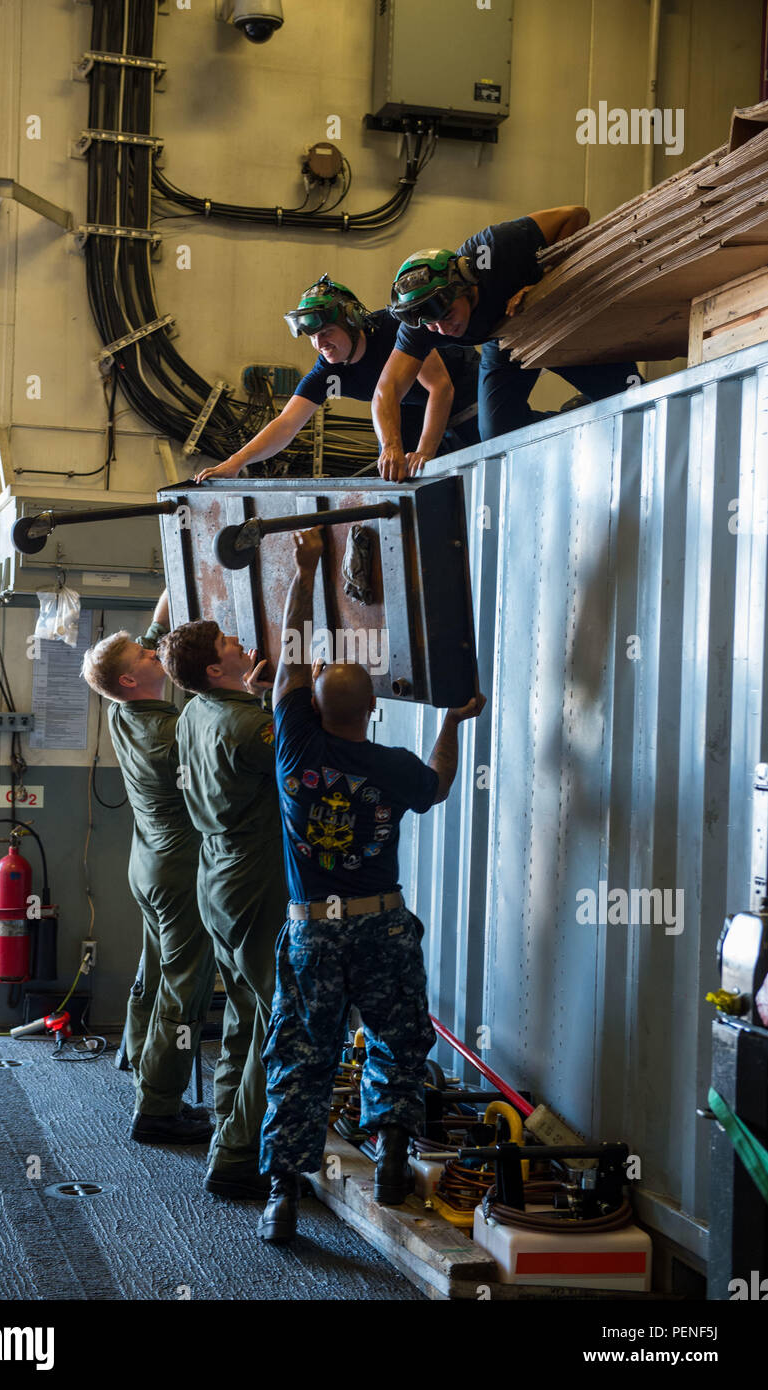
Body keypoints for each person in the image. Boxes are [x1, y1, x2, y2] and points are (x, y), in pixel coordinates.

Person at [256, 528, 482, 1244]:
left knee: (301, 1053)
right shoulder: (390, 764)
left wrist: (305, 569)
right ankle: (388, 1157)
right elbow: (439, 785)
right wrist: (451, 721)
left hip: (311, 929)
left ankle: (282, 1197)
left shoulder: (296, 742)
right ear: (370, 712)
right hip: (380, 922)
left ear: (313, 706)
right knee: (395, 1038)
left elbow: (292, 649)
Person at [80, 591, 215, 1145]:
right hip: (180, 870)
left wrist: (174, 584)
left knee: (156, 969)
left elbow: (158, 629)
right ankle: (158, 1106)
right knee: (185, 989)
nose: (154, 653)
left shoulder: (122, 710)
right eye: (145, 657)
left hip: (148, 866)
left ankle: (137, 1057)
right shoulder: (171, 735)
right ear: (132, 680)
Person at [157, 623, 285, 1200]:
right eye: (231, 645)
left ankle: (229, 1137)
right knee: (279, 1018)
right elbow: (299, 756)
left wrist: (256, 696)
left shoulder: (194, 714)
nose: (243, 644)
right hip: (256, 877)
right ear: (214, 669)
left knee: (242, 1013)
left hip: (215, 878)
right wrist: (279, 700)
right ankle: (237, 1156)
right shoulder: (253, 726)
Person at [374, 206, 640, 478]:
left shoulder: (493, 249)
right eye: (433, 325)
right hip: (504, 337)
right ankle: (578, 417)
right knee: (497, 434)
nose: (442, 330)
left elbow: (576, 215)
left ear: (464, 285)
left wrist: (548, 281)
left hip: (554, 322)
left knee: (630, 398)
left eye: (448, 315)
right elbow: (388, 388)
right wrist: (392, 446)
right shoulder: (423, 321)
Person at [195, 275, 479, 484]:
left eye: (327, 332)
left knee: (489, 454)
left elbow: (441, 387)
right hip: (412, 406)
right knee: (394, 471)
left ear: (353, 322)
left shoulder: (396, 329)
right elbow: (286, 424)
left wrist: (425, 452)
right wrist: (235, 462)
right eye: (313, 338)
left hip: (466, 393)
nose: (320, 344)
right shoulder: (327, 372)